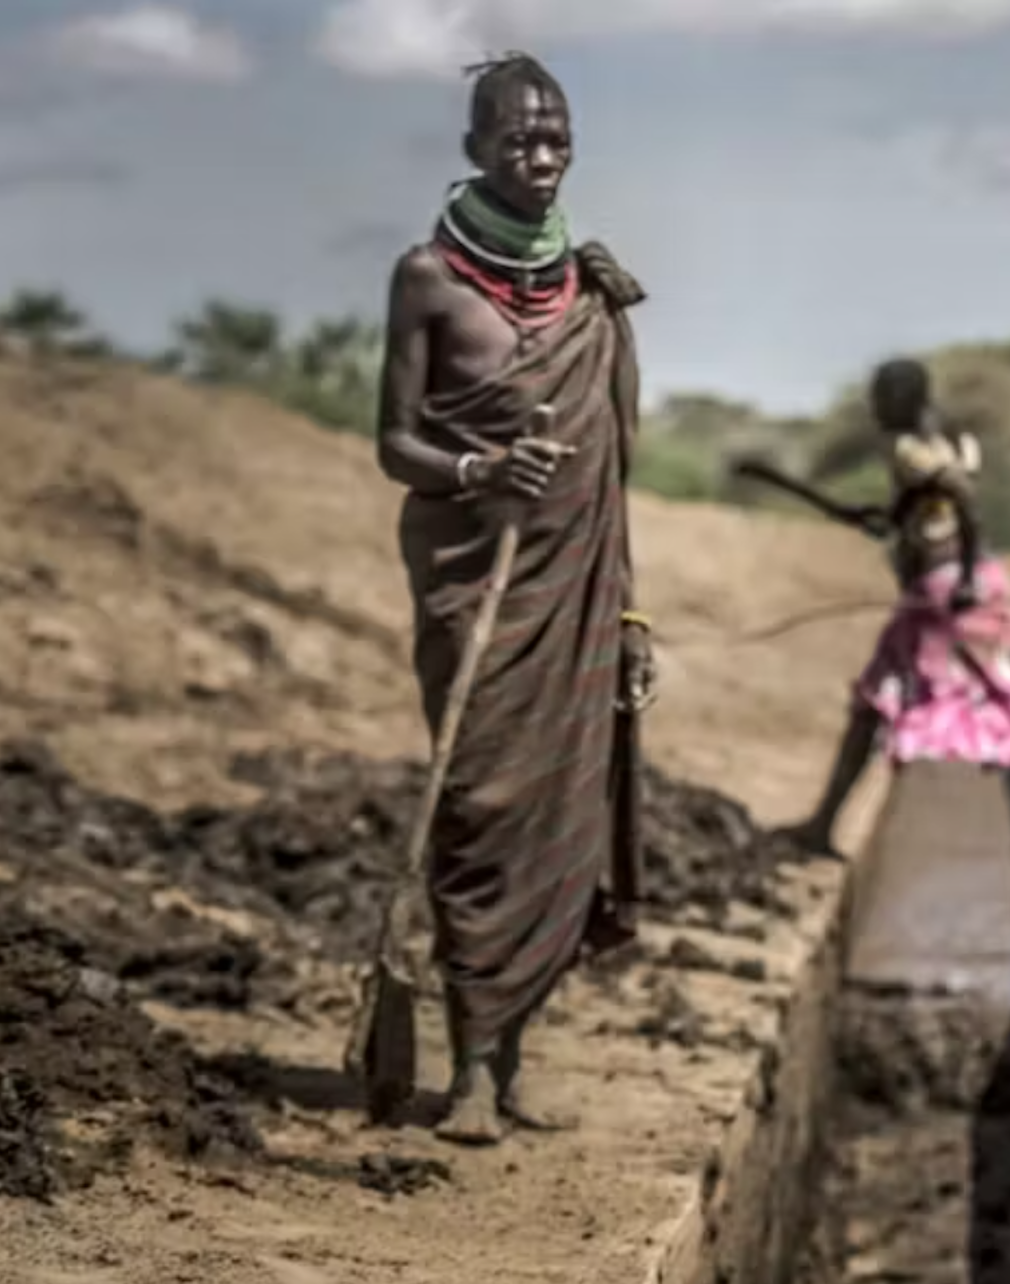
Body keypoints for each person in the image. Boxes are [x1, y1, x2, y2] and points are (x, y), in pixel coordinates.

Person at [373, 51, 650, 1145]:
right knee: (480, 805)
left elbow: (613, 482)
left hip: (576, 592)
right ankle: (468, 1069)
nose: (541, 157)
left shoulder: (593, 293)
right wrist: (479, 470)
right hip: (474, 584)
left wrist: (630, 614)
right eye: (519, 139)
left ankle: (509, 1060)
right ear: (475, 149)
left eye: (556, 138)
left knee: (560, 819)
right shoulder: (426, 279)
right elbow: (395, 443)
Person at [778, 357, 1010, 857]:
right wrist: (888, 519)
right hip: (977, 581)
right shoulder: (944, 444)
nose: (875, 408)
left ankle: (824, 824)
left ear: (899, 401)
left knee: (876, 701)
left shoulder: (907, 449)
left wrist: (961, 579)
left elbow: (959, 503)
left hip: (945, 590)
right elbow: (933, 506)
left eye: (881, 398)